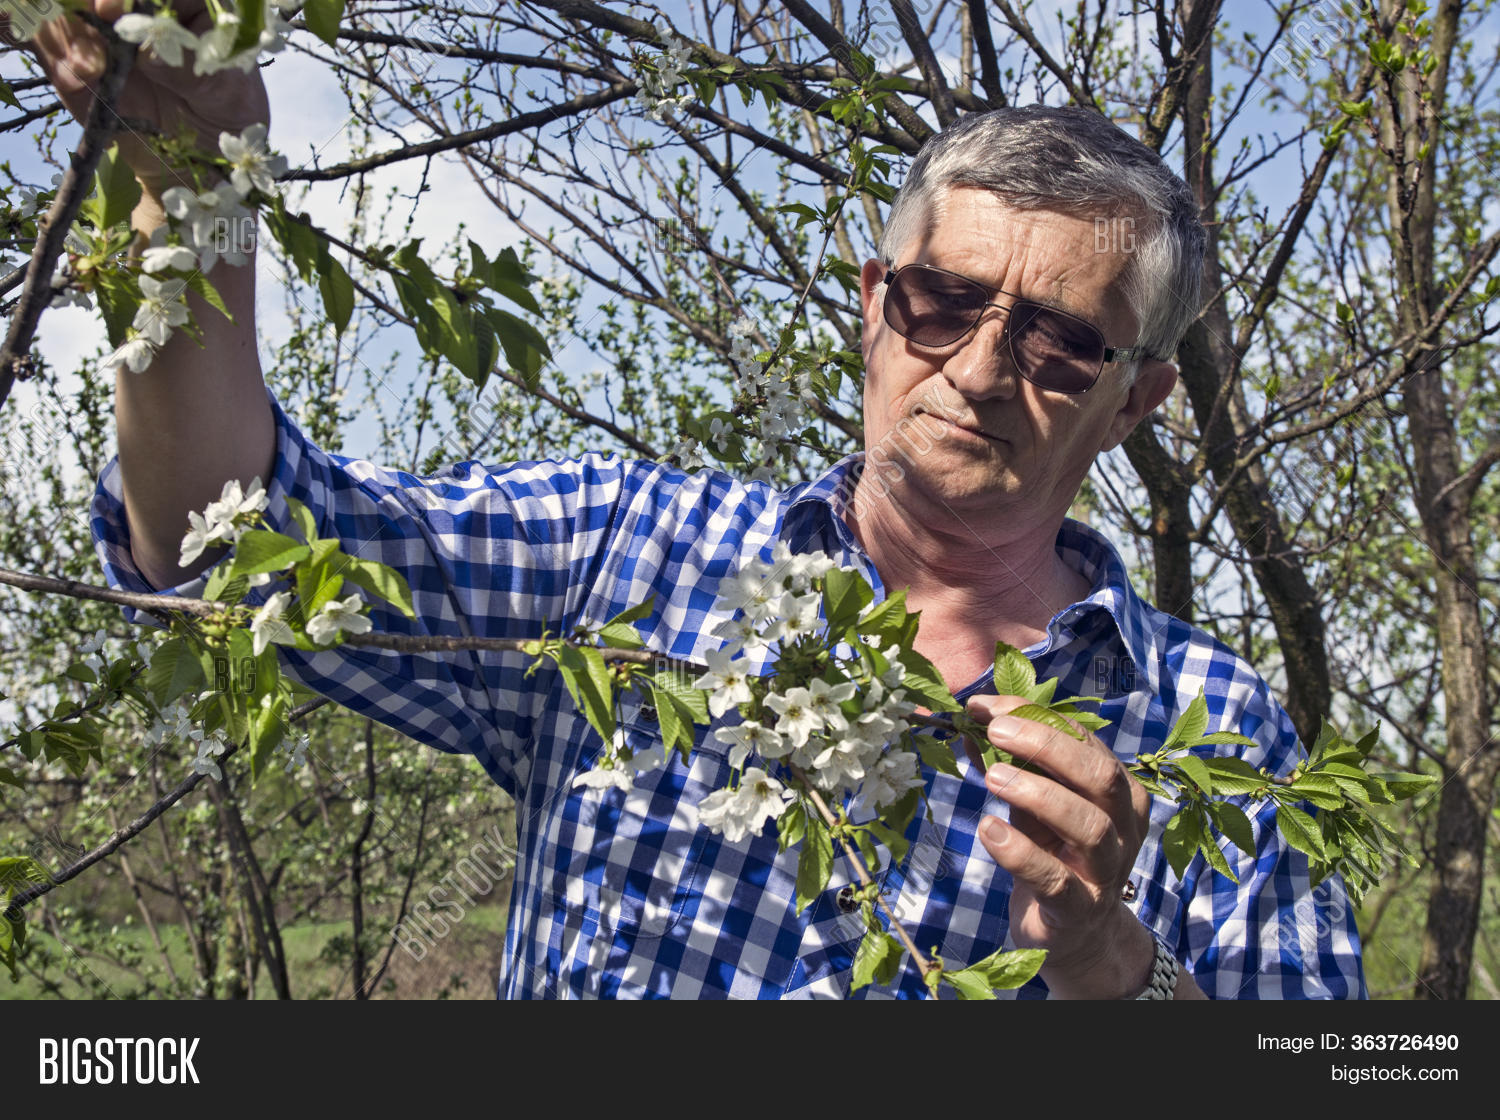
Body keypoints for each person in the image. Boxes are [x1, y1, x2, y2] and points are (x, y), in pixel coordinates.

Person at [29, 4, 1362, 998]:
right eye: (944, 301)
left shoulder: (1213, 729)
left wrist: (1112, 970)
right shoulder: (628, 552)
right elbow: (231, 535)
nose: (979, 364)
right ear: (874, 306)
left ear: (1136, 401)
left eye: (1061, 339)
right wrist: (193, 187)